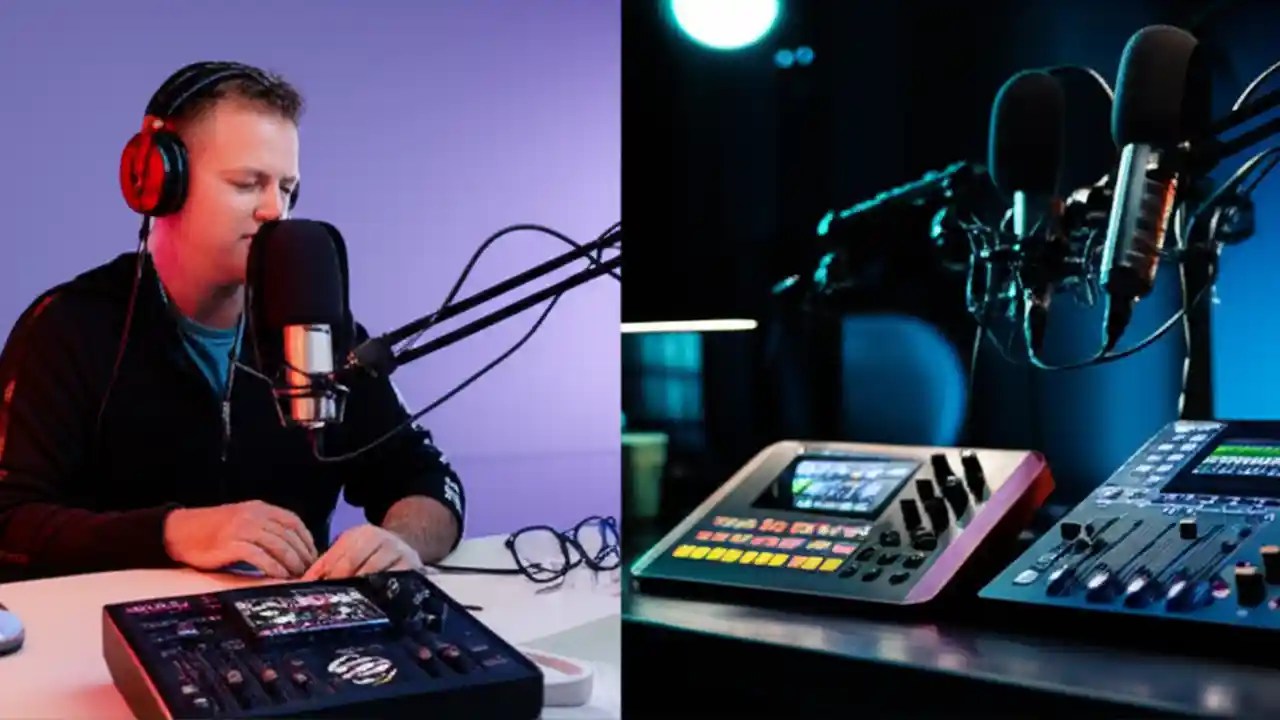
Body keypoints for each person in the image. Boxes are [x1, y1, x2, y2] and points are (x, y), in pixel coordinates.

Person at [0, 61, 465, 583]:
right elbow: (9, 523)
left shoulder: (322, 330)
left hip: (286, 642)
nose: (275, 210)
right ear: (162, 185)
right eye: (248, 184)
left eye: (287, 188)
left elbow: (430, 481)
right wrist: (175, 532)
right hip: (102, 642)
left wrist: (399, 540)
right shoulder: (67, 329)